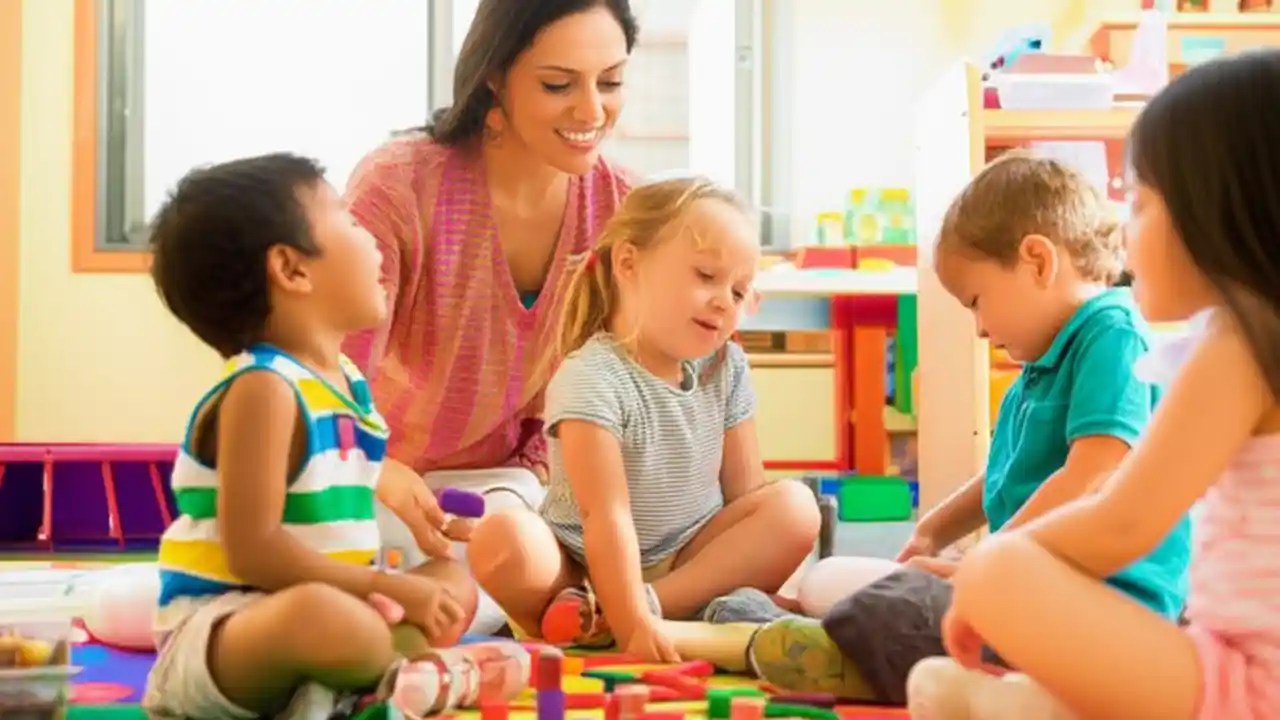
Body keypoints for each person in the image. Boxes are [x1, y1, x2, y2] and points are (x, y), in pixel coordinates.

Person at [913, 50, 1280, 719]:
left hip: (1243, 686)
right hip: (1221, 659)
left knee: (1000, 570)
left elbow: (1125, 520)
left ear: (1219, 210)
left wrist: (988, 578)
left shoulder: (1237, 349)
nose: (1122, 232)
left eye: (1138, 203)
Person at [748, 152, 1191, 704]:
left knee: (888, 605)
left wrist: (987, 565)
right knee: (830, 579)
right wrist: (933, 530)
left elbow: (1092, 474)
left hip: (1106, 603)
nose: (980, 328)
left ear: (1037, 260)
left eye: (978, 302)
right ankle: (876, 654)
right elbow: (998, 480)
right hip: (1031, 585)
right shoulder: (1043, 365)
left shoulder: (1112, 333)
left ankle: (878, 659)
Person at [140, 154, 480, 719]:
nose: (370, 238)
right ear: (292, 269)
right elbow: (254, 552)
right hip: (226, 632)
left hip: (329, 611)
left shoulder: (344, 382)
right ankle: (383, 677)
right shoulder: (264, 387)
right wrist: (383, 587)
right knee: (327, 620)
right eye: (348, 220)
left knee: (452, 582)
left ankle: (347, 686)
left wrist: (394, 588)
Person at [340, 0, 640, 635]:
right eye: (558, 84)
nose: (592, 111)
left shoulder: (622, 206)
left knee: (486, 575)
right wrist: (376, 466)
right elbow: (327, 360)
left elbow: (616, 385)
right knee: (333, 604)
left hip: (504, 489)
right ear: (494, 76)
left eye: (610, 81)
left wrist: (544, 480)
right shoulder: (398, 186)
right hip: (369, 472)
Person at [467, 177, 821, 662]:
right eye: (705, 276)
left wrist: (642, 607)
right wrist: (629, 615)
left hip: (684, 565)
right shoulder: (592, 375)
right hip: (581, 564)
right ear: (629, 263)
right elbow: (604, 514)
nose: (724, 301)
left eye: (738, 292)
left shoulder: (726, 367)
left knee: (796, 507)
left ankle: (610, 620)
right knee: (503, 541)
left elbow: (748, 498)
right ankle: (593, 616)